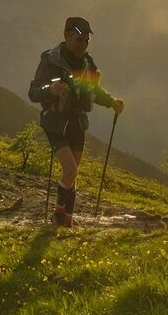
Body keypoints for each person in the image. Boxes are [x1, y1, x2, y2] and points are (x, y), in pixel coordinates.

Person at [28, 15, 125, 226]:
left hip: (77, 122)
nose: (82, 45)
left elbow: (94, 92)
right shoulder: (51, 60)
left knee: (72, 174)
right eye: (78, 40)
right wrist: (49, 90)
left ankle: (67, 220)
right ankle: (60, 213)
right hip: (54, 121)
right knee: (71, 170)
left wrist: (112, 102)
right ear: (66, 36)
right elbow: (33, 92)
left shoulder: (88, 64)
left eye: (86, 41)